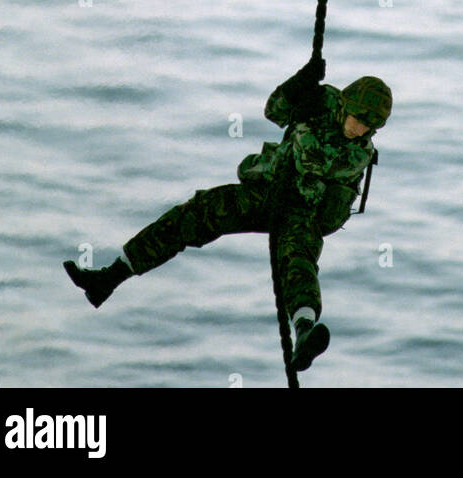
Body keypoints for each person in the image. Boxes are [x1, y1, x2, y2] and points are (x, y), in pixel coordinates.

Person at [64, 61, 393, 373]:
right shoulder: (322, 99)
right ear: (345, 105)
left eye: (370, 125)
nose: (361, 129)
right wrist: (296, 87)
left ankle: (305, 331)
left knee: (297, 260)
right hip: (270, 190)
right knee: (201, 211)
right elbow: (273, 111)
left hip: (305, 211)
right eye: (358, 119)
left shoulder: (359, 151)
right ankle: (108, 278)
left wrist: (305, 121)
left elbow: (313, 162)